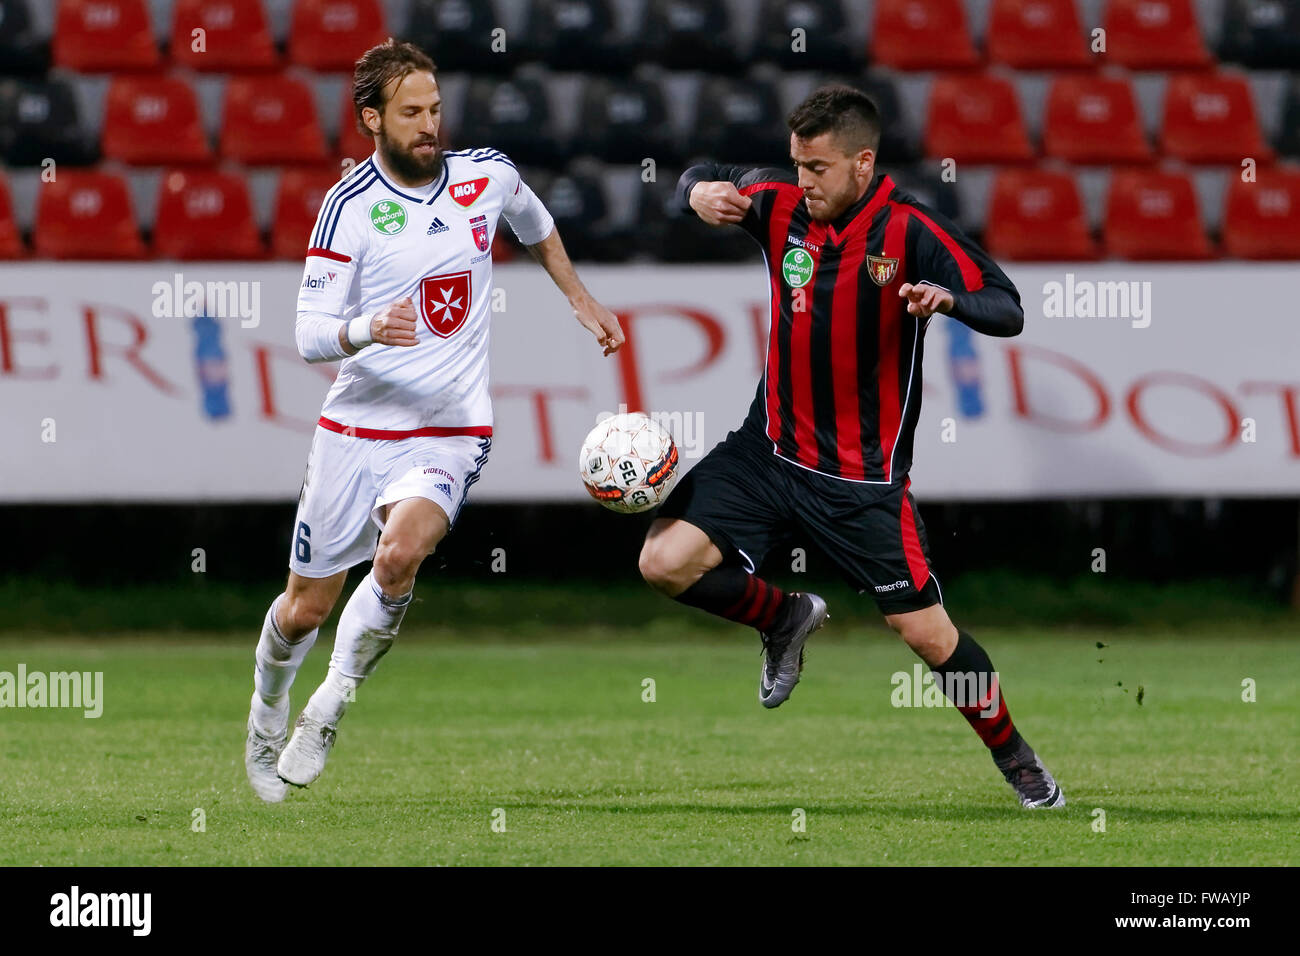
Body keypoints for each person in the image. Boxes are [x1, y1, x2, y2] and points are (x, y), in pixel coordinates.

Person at [639, 84, 1064, 808]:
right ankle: (783, 617)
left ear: (863, 163)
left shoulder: (911, 232)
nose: (803, 183)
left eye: (819, 169)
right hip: (765, 451)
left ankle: (1018, 761)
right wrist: (698, 192)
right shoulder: (777, 203)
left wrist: (949, 300)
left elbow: (1009, 307)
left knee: (928, 636)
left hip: (859, 481)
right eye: (797, 165)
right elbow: (696, 175)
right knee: (663, 560)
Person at [244, 39, 624, 802]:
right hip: (355, 428)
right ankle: (267, 709)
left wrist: (578, 296)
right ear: (370, 122)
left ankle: (327, 709)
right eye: (411, 113)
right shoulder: (348, 208)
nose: (429, 125)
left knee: (398, 557)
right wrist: (364, 330)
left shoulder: (486, 176)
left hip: (450, 426)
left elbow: (534, 220)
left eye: (435, 109)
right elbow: (309, 331)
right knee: (303, 609)